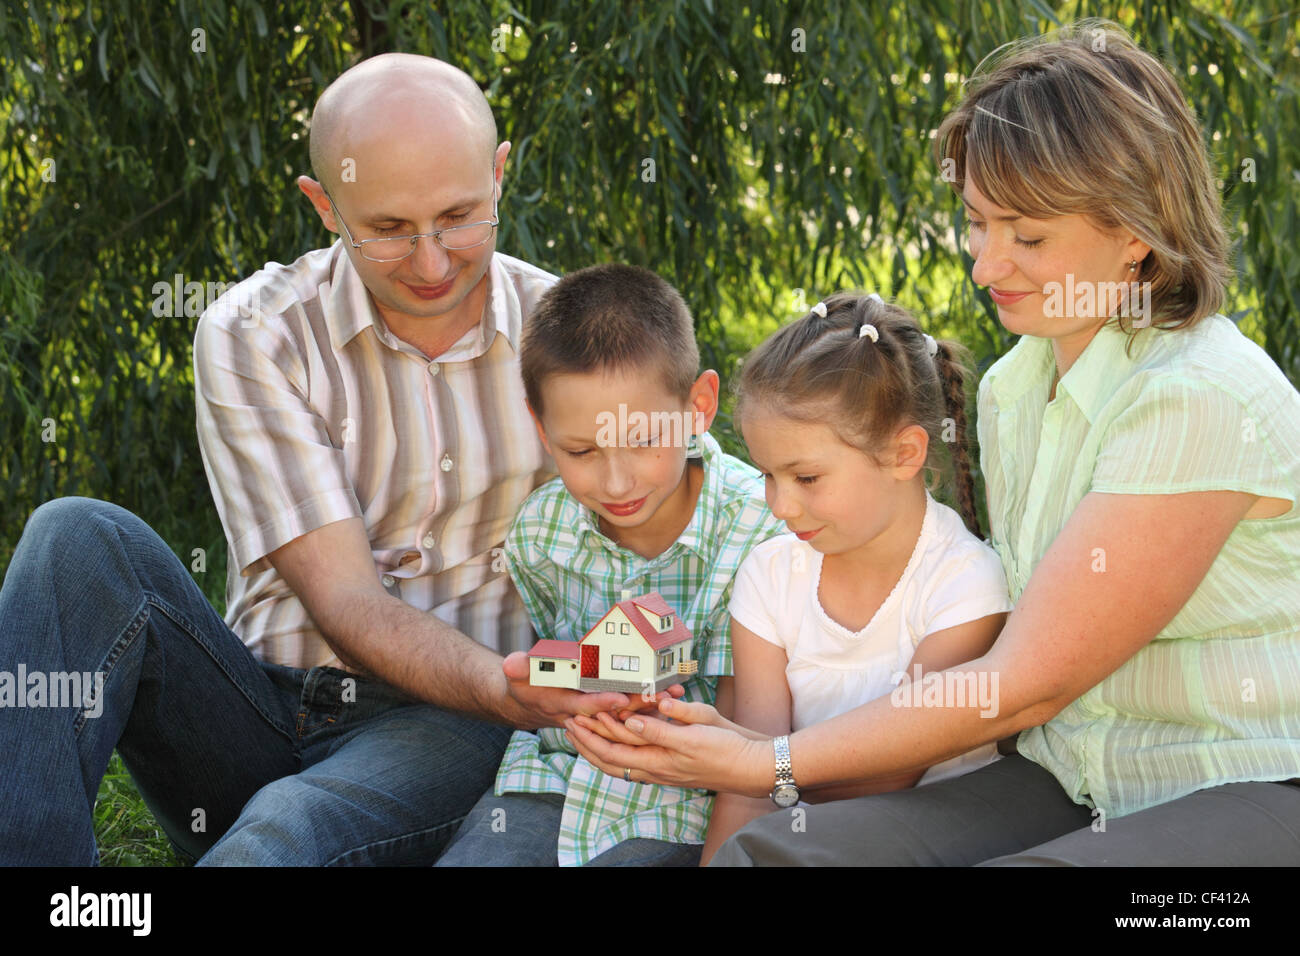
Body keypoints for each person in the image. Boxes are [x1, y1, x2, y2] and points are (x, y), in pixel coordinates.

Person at [565, 20, 1300, 865]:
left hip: (1240, 784)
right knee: (772, 855)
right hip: (1069, 776)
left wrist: (764, 760)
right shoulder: (1013, 387)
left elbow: (1027, 679)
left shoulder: (1197, 396)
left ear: (1134, 233)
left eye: (1027, 237)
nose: (986, 267)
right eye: (978, 225)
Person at [0, 54, 631, 866]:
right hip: (254, 710)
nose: (433, 262)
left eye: (459, 215)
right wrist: (515, 687)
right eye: (390, 230)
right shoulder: (254, 332)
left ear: (502, 174)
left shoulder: (574, 338)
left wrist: (526, 689)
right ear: (324, 205)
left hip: (448, 721)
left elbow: (699, 521)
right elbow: (347, 604)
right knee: (73, 539)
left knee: (282, 834)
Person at [434, 264, 785, 866]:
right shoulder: (541, 533)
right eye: (582, 451)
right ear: (542, 430)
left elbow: (753, 740)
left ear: (698, 406)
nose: (617, 481)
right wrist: (544, 679)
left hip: (683, 807)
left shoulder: (761, 532)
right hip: (551, 784)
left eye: (644, 441)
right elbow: (557, 666)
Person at [695, 292, 1013, 863]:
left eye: (807, 478)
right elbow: (746, 793)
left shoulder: (964, 583)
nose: (781, 506)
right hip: (800, 840)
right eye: (768, 475)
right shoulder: (770, 575)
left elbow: (887, 774)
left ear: (904, 454)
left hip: (929, 835)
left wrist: (742, 763)